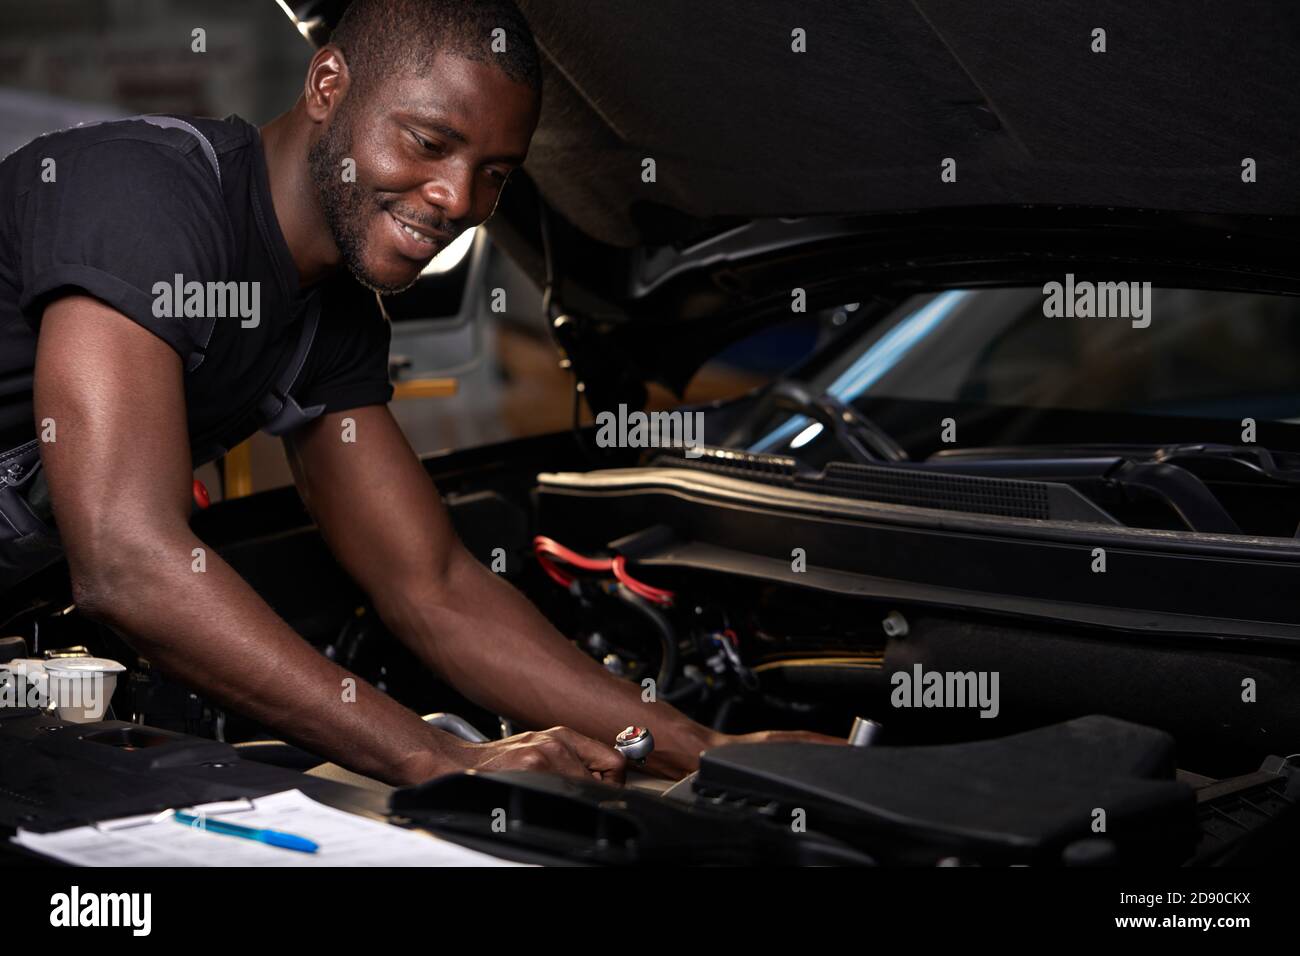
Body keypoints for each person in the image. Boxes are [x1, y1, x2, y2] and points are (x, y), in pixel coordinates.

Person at [0, 0, 837, 786]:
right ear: (328, 85)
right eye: (431, 142)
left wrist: (707, 750)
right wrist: (441, 761)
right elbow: (127, 560)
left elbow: (431, 583)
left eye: (495, 174)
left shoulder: (333, 318)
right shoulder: (146, 196)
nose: (460, 200)